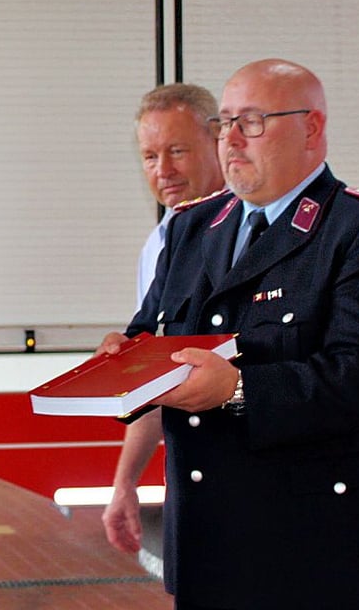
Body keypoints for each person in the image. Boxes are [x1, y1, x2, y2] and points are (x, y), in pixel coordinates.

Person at [102, 58, 359, 609]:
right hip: (206, 547)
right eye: (225, 121)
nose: (232, 139)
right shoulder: (194, 227)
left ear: (312, 128)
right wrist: (123, 357)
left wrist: (238, 391)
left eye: (254, 121)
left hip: (316, 555)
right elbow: (153, 332)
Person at [101, 84, 224, 556]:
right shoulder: (163, 243)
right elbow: (157, 371)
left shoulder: (262, 226)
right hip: (196, 475)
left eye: (177, 151)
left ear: (218, 141)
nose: (163, 171)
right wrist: (125, 483)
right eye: (150, 157)